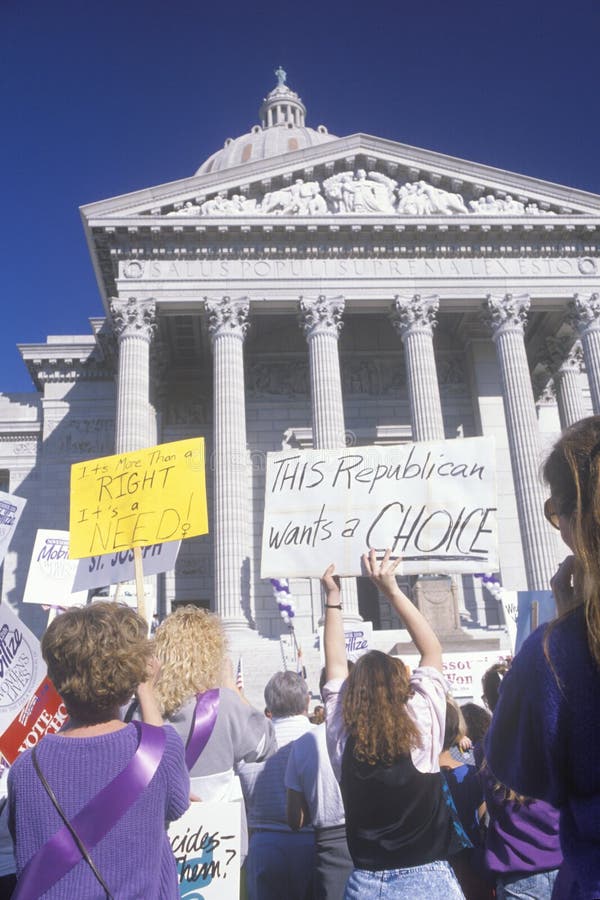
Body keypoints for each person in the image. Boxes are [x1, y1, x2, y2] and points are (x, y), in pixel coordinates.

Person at [484, 417, 600, 898]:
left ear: (576, 520)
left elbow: (519, 768)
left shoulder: (556, 655)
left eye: (555, 513)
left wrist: (569, 622)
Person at [8, 602, 189, 899]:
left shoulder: (26, 768)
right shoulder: (160, 751)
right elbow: (177, 806)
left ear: (55, 675)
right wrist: (146, 691)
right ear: (133, 674)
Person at [323, 549, 466, 899]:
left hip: (366, 884)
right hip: (428, 881)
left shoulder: (343, 738)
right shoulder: (421, 726)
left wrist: (333, 599)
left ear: (353, 694)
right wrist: (391, 589)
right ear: (401, 687)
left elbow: (335, 666)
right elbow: (432, 650)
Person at [152, 605, 276, 860]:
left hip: (159, 841)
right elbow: (267, 744)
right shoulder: (225, 705)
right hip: (219, 847)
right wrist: (230, 686)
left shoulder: (141, 709)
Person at [478, 661, 562, 899]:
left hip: (518, 878)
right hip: (568, 868)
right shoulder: (556, 741)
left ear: (490, 702)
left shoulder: (486, 751)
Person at [238, 671, 315, 900]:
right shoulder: (318, 738)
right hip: (309, 842)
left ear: (269, 704)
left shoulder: (250, 744)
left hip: (263, 843)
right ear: (307, 700)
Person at [285, 668, 354, 900]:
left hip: (331, 850)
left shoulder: (303, 744)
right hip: (376, 844)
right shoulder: (376, 735)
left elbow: (295, 819)